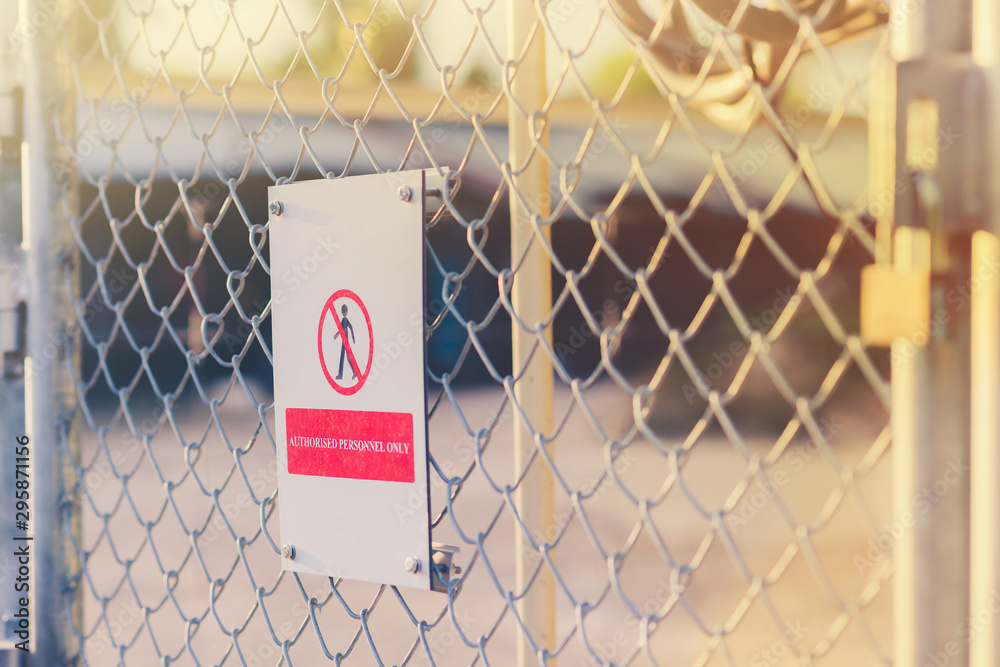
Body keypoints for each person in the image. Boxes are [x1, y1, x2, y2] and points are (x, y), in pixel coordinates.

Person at [334, 303, 357, 380]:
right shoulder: (344, 320)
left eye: (344, 311)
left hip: (345, 341)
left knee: (345, 357)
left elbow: (350, 327)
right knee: (346, 357)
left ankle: (352, 372)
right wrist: (337, 334)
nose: (344, 312)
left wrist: (353, 337)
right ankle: (352, 372)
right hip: (344, 340)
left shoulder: (345, 320)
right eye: (343, 311)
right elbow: (341, 329)